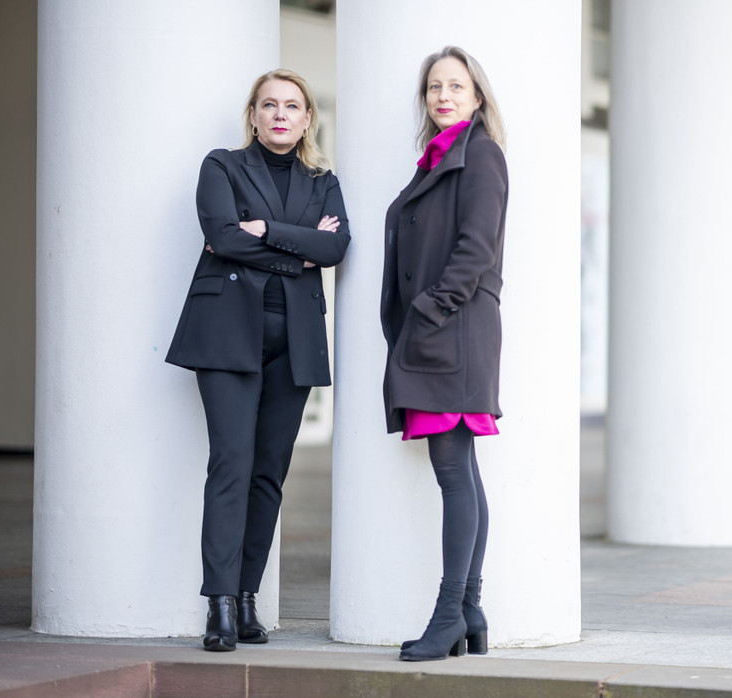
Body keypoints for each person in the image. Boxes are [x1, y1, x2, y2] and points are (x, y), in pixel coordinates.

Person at [166, 69, 351, 652]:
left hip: (293, 341)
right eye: (268, 105)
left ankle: (248, 597)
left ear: (306, 119)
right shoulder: (221, 166)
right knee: (232, 464)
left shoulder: (323, 180)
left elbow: (336, 246)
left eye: (292, 106)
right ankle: (219, 603)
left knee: (269, 473)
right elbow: (222, 237)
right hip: (225, 334)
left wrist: (269, 229)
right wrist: (297, 251)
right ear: (253, 114)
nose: (279, 114)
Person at [381, 46, 508, 662]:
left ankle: (449, 613)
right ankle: (471, 607)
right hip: (440, 333)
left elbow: (476, 248)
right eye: (434, 87)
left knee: (453, 472)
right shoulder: (435, 159)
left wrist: (428, 311)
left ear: (477, 96)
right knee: (463, 472)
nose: (443, 96)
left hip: (452, 333)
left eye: (456, 86)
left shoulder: (480, 154)